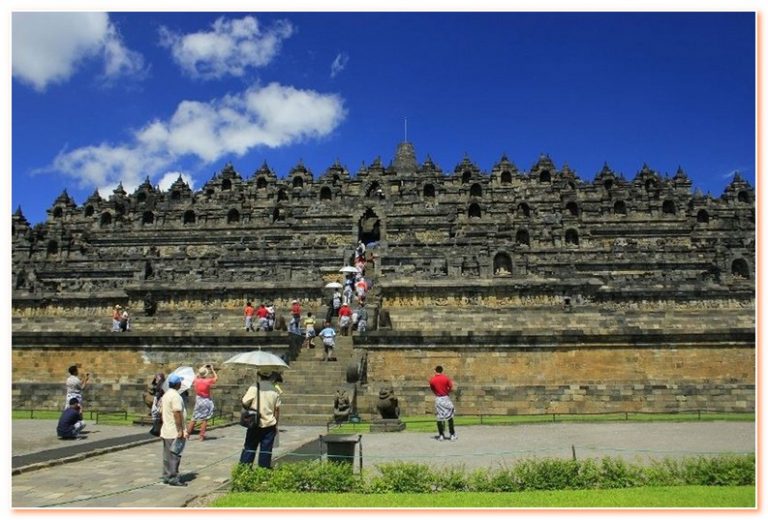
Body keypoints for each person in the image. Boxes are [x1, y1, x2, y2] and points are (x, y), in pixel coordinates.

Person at [238, 370, 281, 469]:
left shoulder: (254, 387)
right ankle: (263, 471)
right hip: (270, 423)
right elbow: (277, 409)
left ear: (259, 375)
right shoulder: (275, 390)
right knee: (266, 450)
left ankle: (244, 471)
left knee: (249, 447)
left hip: (255, 422)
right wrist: (276, 425)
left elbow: (245, 402)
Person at [160, 373, 188, 486]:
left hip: (167, 429)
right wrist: (180, 430)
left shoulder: (166, 395)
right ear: (178, 384)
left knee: (167, 455)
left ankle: (167, 475)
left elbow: (161, 411)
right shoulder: (176, 396)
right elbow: (177, 413)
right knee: (174, 455)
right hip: (174, 431)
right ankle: (173, 477)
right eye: (180, 382)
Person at [186, 364, 218, 441]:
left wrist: (202, 368)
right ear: (206, 374)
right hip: (206, 400)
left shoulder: (196, 381)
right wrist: (213, 370)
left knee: (194, 418)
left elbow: (196, 376)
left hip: (199, 400)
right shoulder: (208, 381)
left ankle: (187, 434)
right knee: (205, 419)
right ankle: (201, 436)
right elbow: (216, 378)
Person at [429, 365, 457, 441]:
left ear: (435, 370)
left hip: (438, 399)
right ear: (442, 371)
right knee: (450, 416)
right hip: (445, 398)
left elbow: (432, 389)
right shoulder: (446, 378)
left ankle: (441, 435)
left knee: (439, 417)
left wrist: (437, 393)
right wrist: (446, 392)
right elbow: (450, 387)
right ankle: (452, 435)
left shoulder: (432, 380)